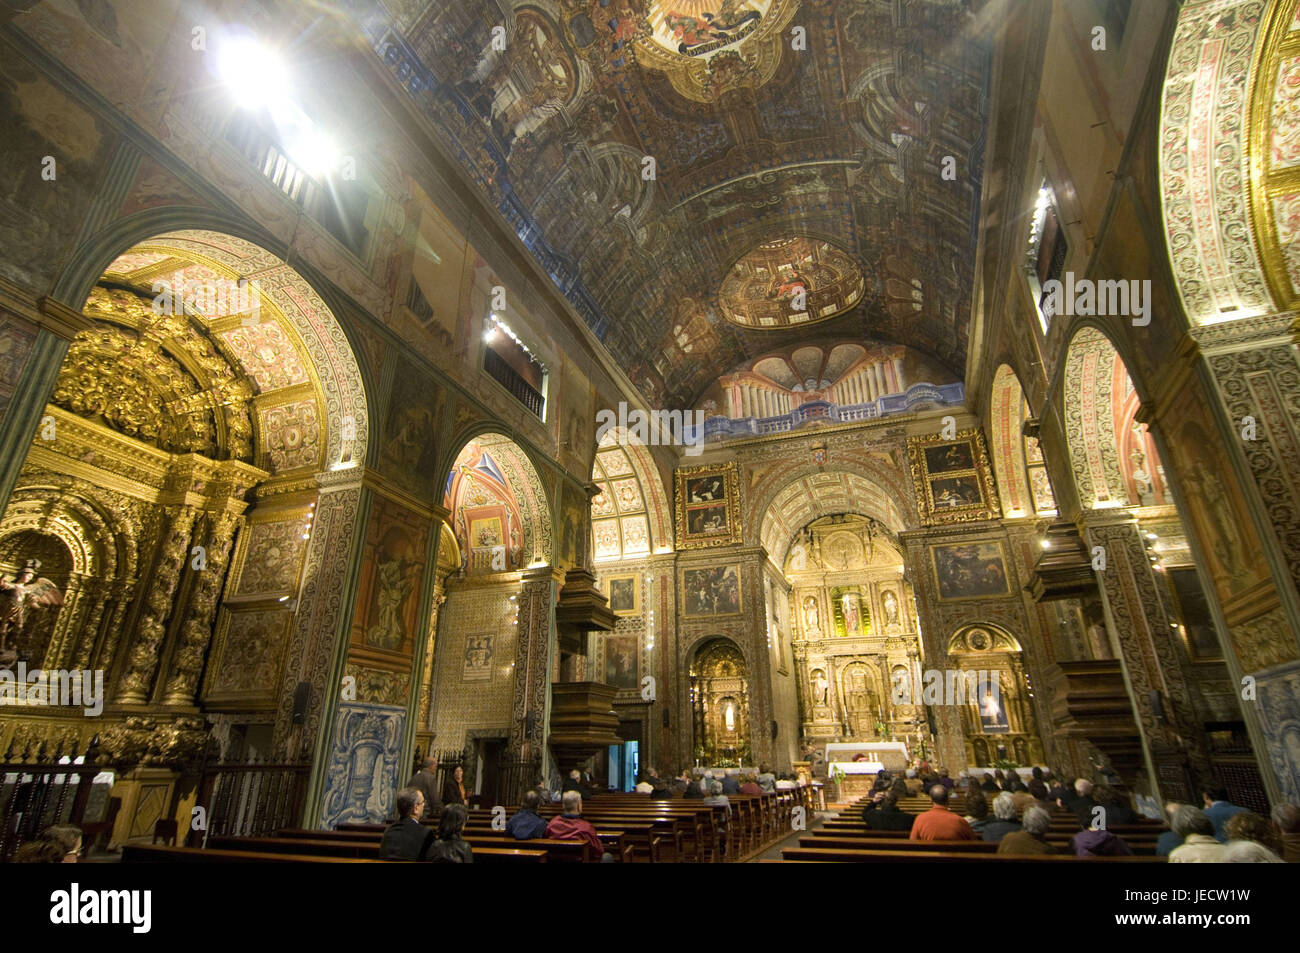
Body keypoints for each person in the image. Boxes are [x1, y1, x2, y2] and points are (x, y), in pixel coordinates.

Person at [546, 791, 611, 862]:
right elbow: (598, 851)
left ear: (563, 806)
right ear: (579, 806)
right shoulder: (586, 827)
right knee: (607, 857)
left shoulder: (552, 824)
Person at [380, 788, 435, 861]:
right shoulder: (426, 833)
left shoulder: (389, 830)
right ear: (415, 808)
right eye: (423, 802)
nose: (424, 805)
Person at [910, 785, 975, 841]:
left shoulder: (920, 819)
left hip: (929, 854)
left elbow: (913, 841)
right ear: (948, 800)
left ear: (931, 801)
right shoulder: (959, 821)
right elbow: (973, 841)